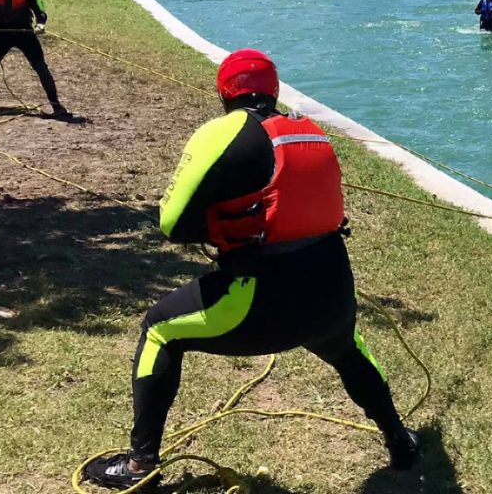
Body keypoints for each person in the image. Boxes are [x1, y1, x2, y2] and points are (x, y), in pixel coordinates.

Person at [84, 49, 420, 490]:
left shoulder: (223, 131)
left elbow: (172, 223)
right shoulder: (310, 130)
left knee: (159, 329)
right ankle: (401, 441)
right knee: (350, 349)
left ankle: (139, 464)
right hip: (332, 297)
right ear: (274, 90)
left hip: (261, 304)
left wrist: (223, 230)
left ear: (224, 92)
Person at [0, 0, 71, 120]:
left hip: (25, 34)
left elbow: (40, 11)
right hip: (1, 34)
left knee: (41, 68)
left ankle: (56, 105)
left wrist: (41, 23)